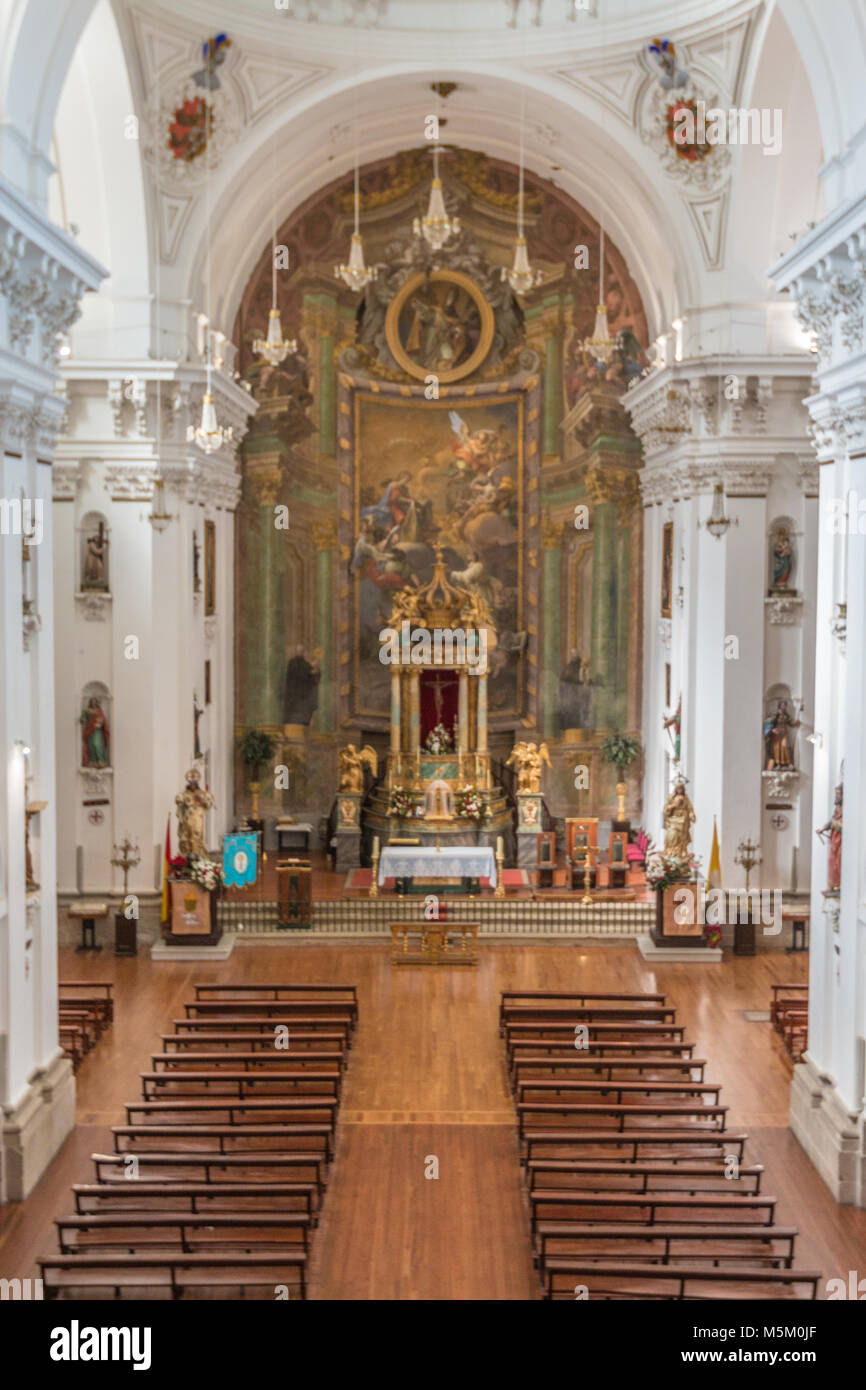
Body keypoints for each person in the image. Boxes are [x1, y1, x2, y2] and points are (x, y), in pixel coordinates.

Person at [283, 646, 320, 726]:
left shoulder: (297, 663)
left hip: (297, 696)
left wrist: (315, 670)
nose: (300, 652)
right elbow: (310, 676)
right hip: (298, 695)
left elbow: (312, 676)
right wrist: (314, 671)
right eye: (299, 651)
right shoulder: (302, 664)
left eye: (301, 651)